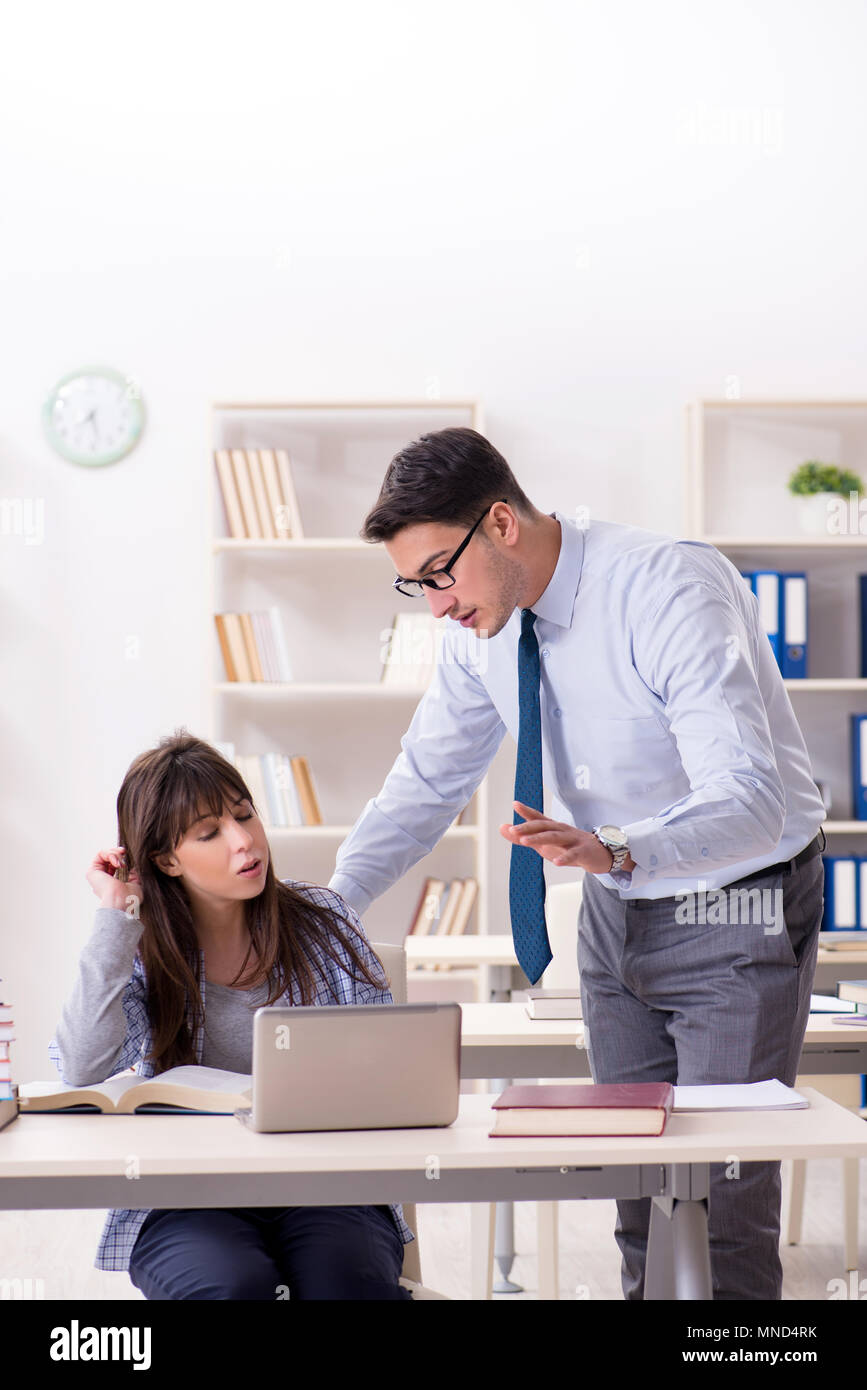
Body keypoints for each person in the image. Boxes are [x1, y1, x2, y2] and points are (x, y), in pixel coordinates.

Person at [328, 425, 827, 1301]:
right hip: (613, 907)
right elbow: (422, 785)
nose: (434, 606)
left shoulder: (665, 583)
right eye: (415, 586)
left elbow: (748, 796)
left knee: (725, 1199)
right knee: (636, 1192)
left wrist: (620, 845)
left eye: (439, 573)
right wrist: (328, 905)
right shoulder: (475, 634)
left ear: (500, 524)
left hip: (732, 901)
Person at [49, 731, 414, 1300]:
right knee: (233, 1288)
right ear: (166, 859)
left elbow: (391, 1067)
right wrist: (112, 913)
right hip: (187, 1195)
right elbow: (81, 1065)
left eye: (245, 816)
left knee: (343, 1284)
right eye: (210, 832)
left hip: (324, 1186)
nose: (245, 841)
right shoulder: (142, 950)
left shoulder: (324, 920)